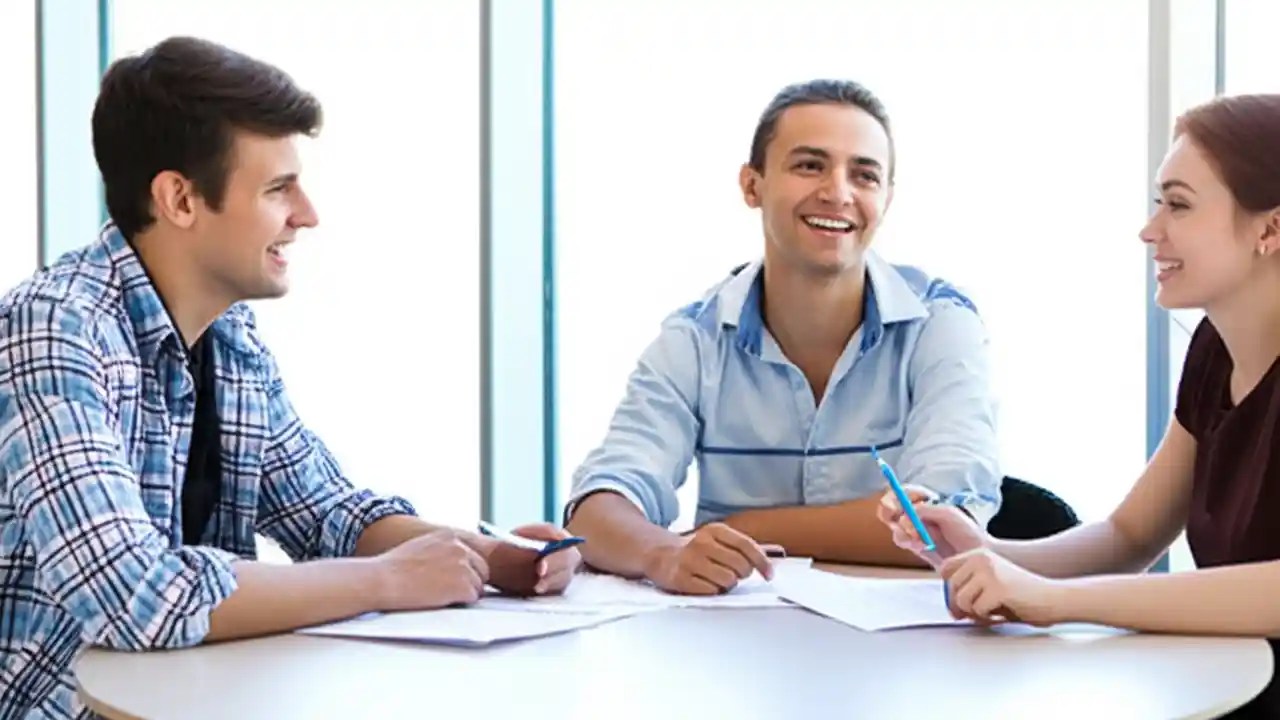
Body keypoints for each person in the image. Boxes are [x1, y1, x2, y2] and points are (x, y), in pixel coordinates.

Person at [0, 36, 579, 719]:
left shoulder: (230, 338)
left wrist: (484, 557)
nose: (307, 215)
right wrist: (389, 580)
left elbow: (328, 513)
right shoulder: (54, 329)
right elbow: (134, 597)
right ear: (180, 199)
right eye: (279, 188)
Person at [879, 93, 1280, 718]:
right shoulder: (1213, 351)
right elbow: (1130, 535)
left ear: (1270, 230)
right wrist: (987, 554)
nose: (1151, 230)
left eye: (1178, 205)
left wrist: (1056, 600)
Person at [564, 79, 1001, 596]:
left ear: (885, 199)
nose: (838, 192)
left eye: (864, 175)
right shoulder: (694, 340)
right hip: (730, 647)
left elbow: (945, 522)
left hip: (904, 650)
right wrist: (663, 553)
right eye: (809, 165)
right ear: (753, 186)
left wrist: (738, 531)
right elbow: (595, 510)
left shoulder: (941, 324)